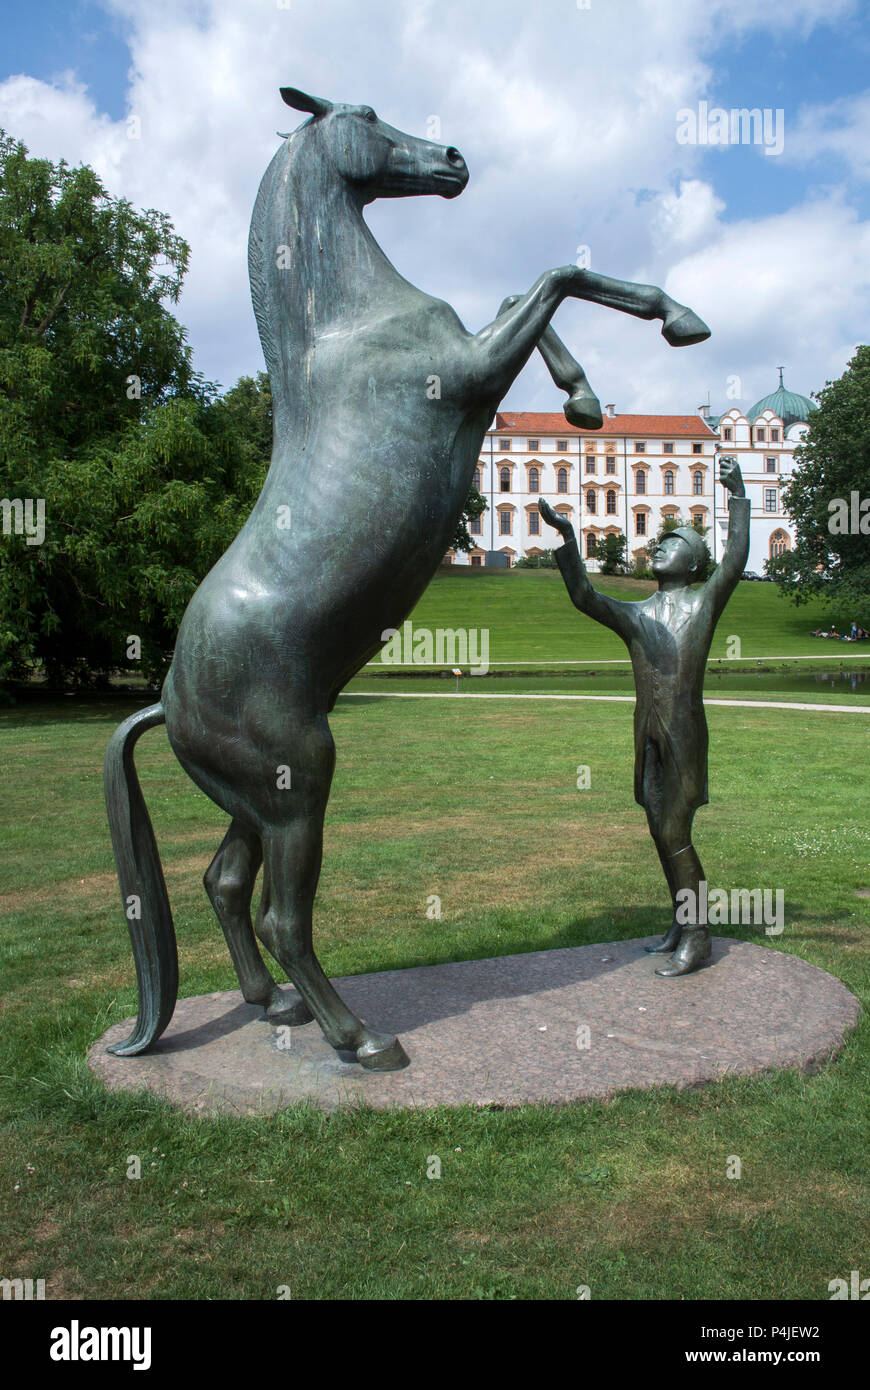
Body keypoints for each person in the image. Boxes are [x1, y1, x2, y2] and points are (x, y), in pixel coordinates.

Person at [540, 458, 750, 976]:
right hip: (648, 738)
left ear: (694, 562)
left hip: (682, 737)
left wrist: (738, 491)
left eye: (672, 542)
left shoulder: (703, 603)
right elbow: (584, 596)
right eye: (659, 542)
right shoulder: (637, 616)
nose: (659, 546)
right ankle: (683, 922)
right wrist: (568, 540)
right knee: (660, 830)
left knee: (675, 831)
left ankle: (698, 935)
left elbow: (737, 559)